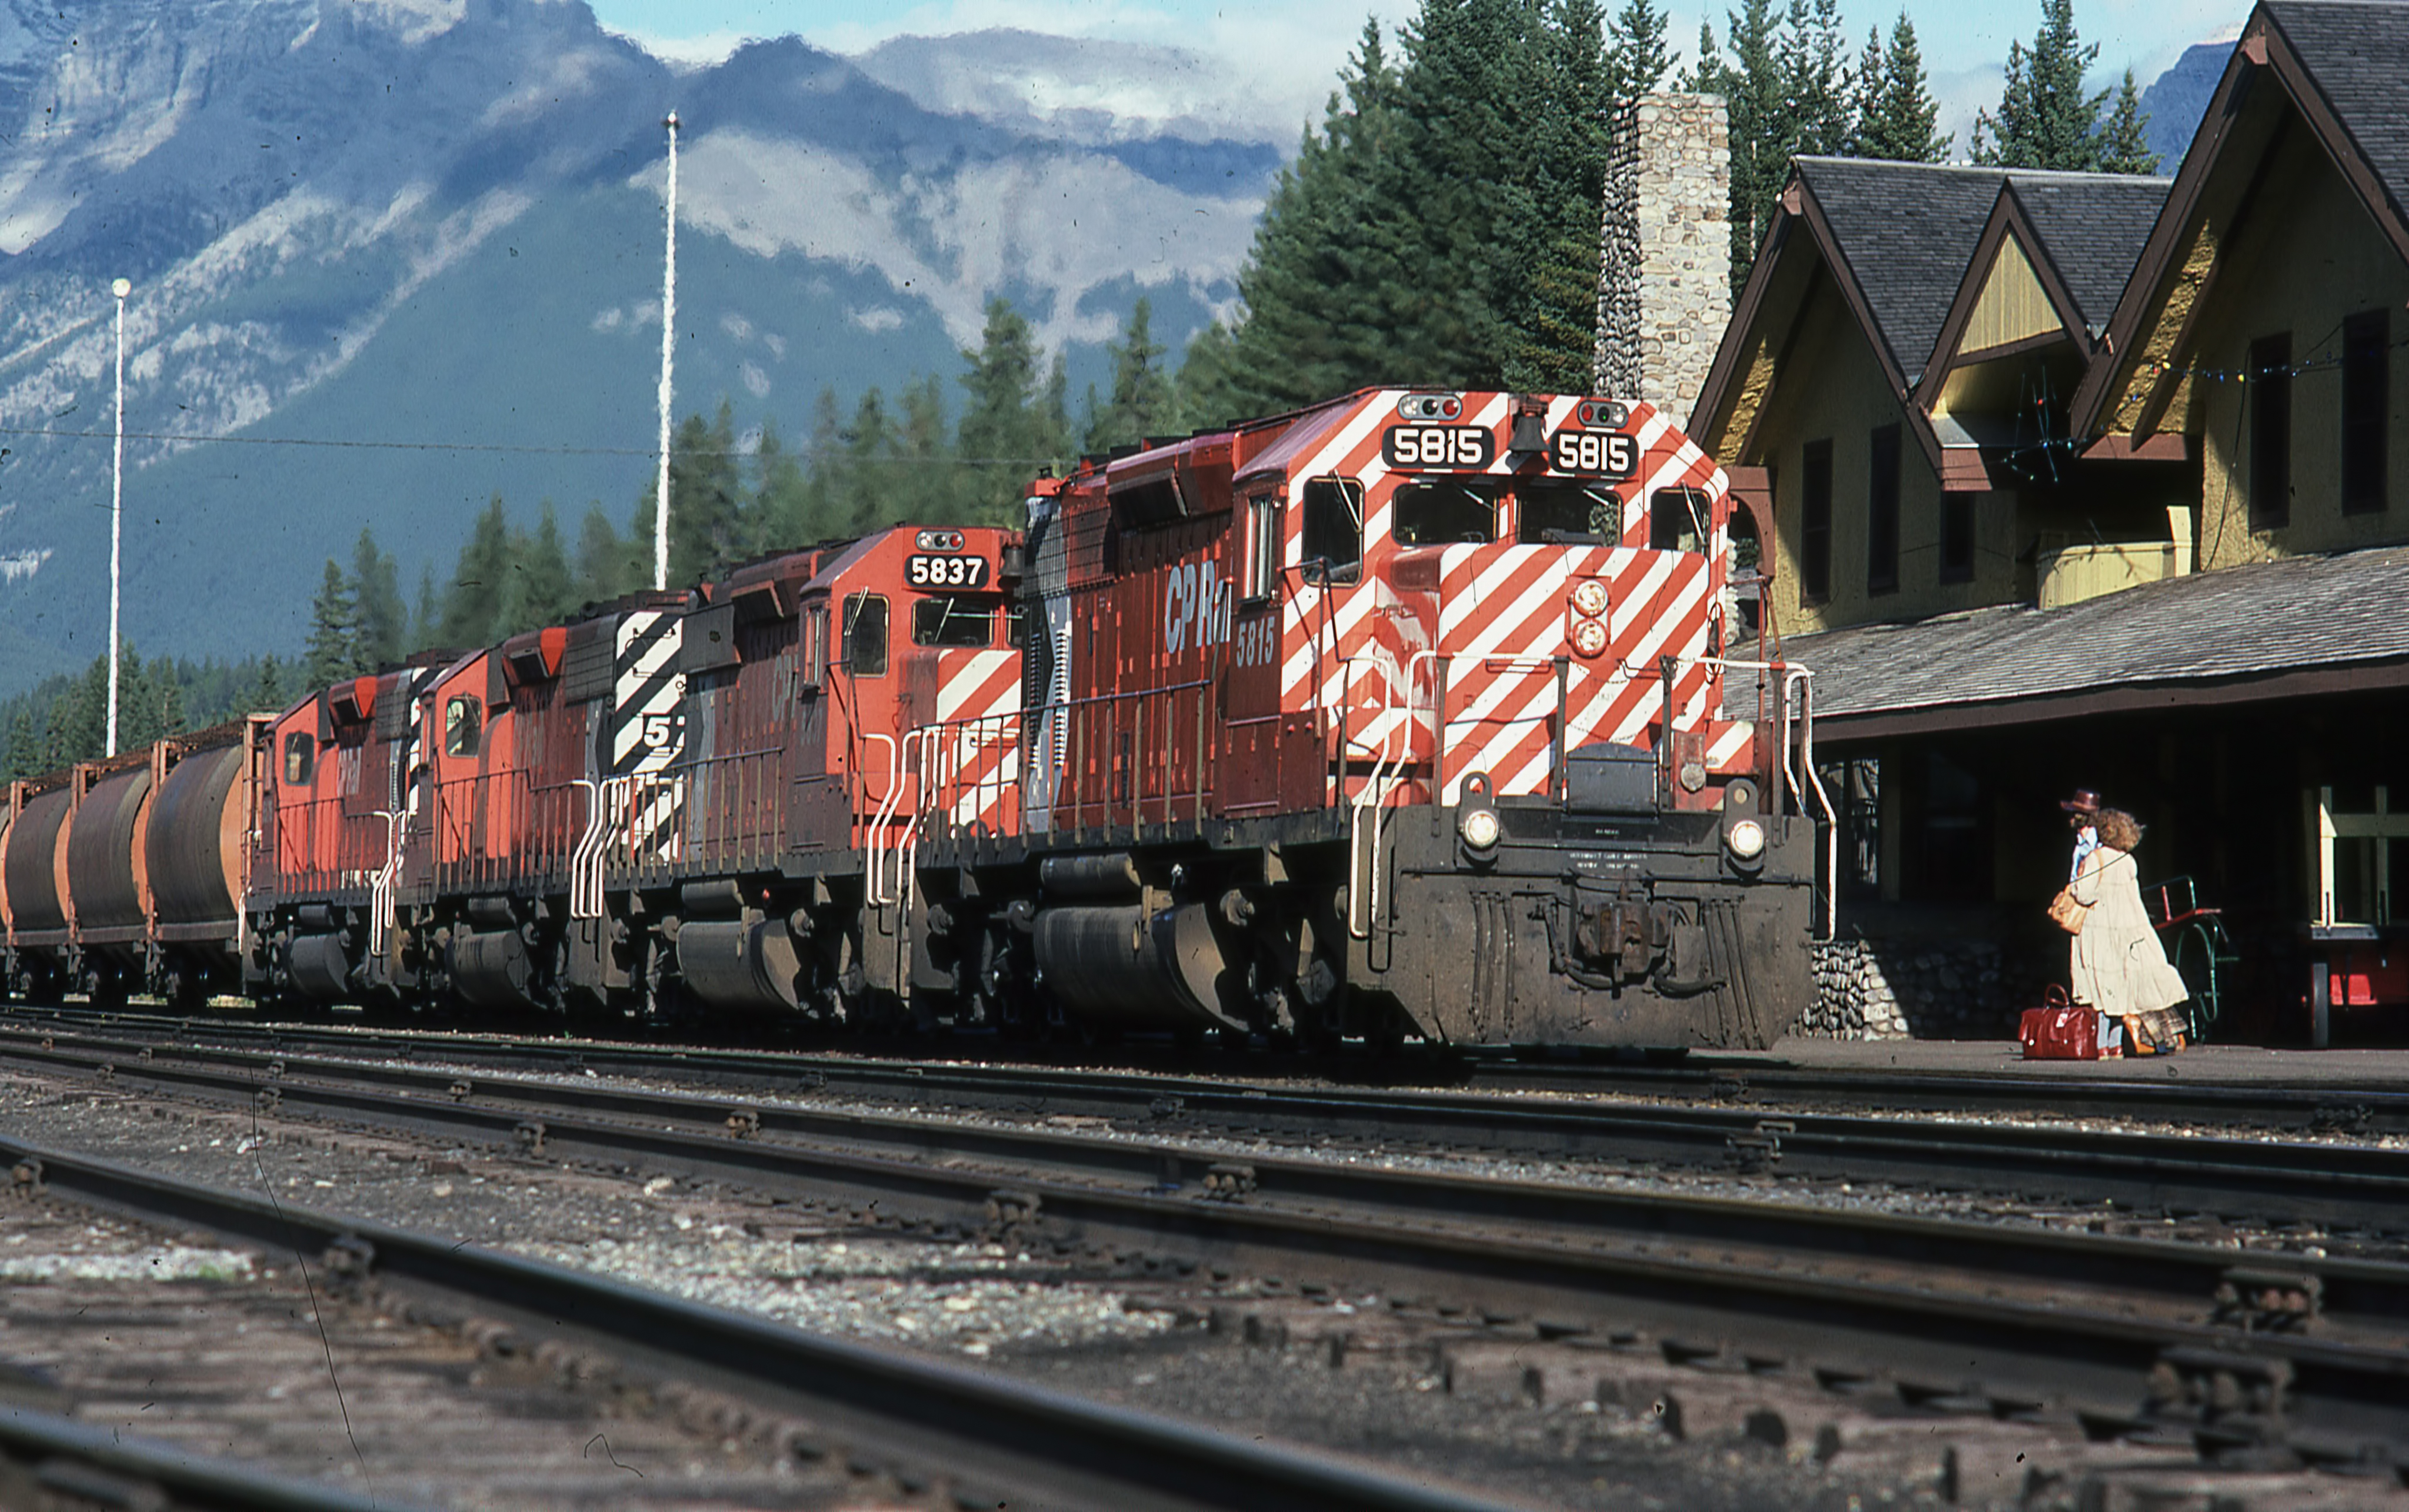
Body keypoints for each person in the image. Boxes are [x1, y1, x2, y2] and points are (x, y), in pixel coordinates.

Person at [2068, 806, 2191, 1054]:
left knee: (2102, 989)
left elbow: (2084, 893)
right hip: (2126, 931)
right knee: (2120, 989)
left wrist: (2074, 885)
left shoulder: (2096, 858)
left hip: (2101, 932)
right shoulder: (2128, 861)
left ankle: (2103, 1047)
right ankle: (2116, 1048)